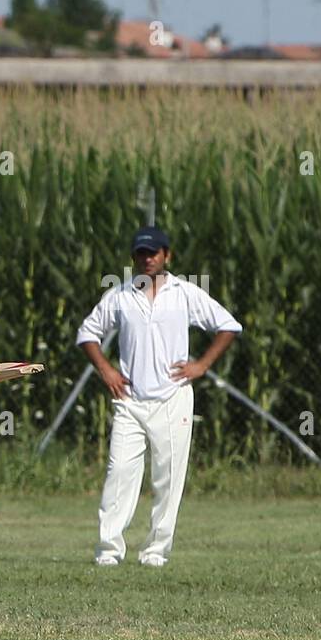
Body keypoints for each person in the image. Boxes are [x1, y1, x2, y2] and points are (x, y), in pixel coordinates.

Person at [76, 226, 241, 567]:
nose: (147, 259)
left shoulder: (185, 293)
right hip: (130, 400)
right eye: (141, 253)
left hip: (173, 398)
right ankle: (109, 550)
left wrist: (202, 365)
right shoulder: (120, 295)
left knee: (168, 476)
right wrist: (106, 370)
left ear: (167, 255)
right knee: (119, 471)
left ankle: (155, 550)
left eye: (153, 253)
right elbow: (87, 333)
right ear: (134, 257)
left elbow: (228, 326)